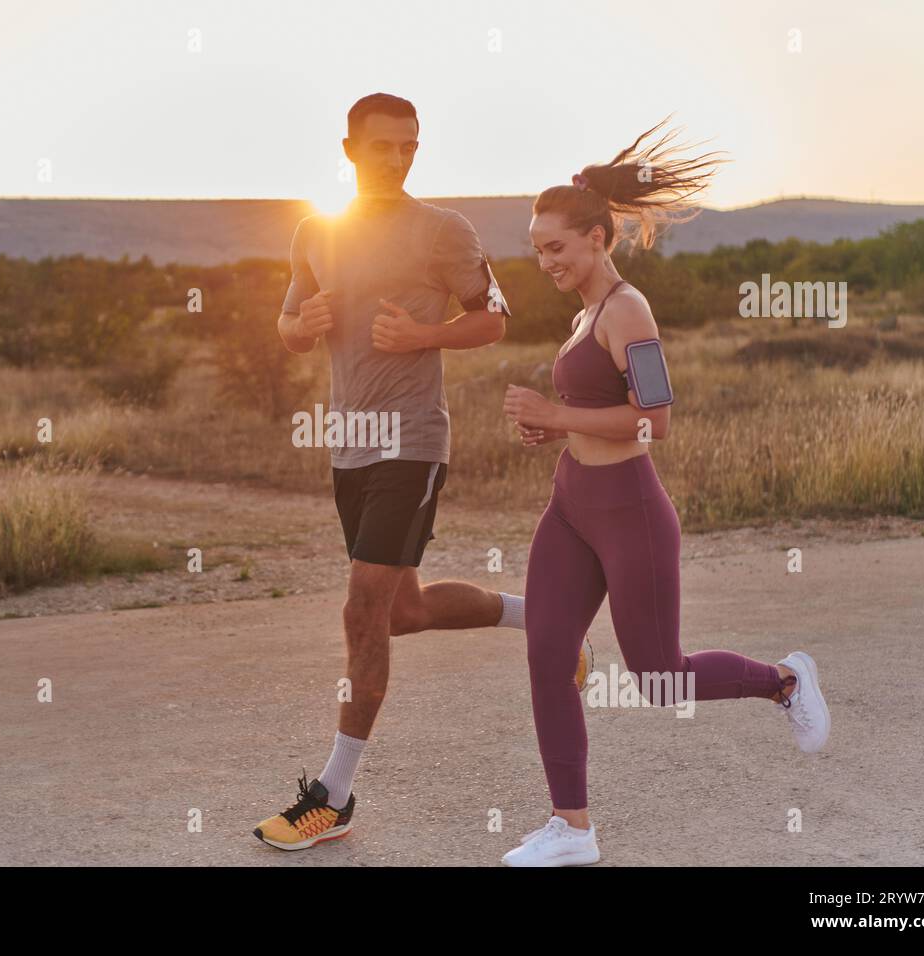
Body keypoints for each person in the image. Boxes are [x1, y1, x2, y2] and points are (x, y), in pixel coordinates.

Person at [500, 120, 832, 867]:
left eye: (555, 246)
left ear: (596, 238)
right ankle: (572, 829)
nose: (543, 260)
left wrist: (556, 413)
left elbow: (657, 423)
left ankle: (782, 680)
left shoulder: (626, 310)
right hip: (571, 505)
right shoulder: (583, 315)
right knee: (548, 654)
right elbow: (598, 416)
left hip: (629, 514)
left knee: (655, 676)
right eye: (536, 247)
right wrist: (557, 432)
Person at [254, 92, 555, 851]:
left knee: (361, 608)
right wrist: (302, 327)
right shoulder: (314, 231)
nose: (397, 157)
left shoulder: (443, 230)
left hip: (411, 441)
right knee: (402, 612)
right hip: (349, 443)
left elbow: (492, 320)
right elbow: (288, 324)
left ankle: (333, 796)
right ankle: (547, 619)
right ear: (350, 148)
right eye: (383, 145)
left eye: (409, 145)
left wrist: (424, 333)